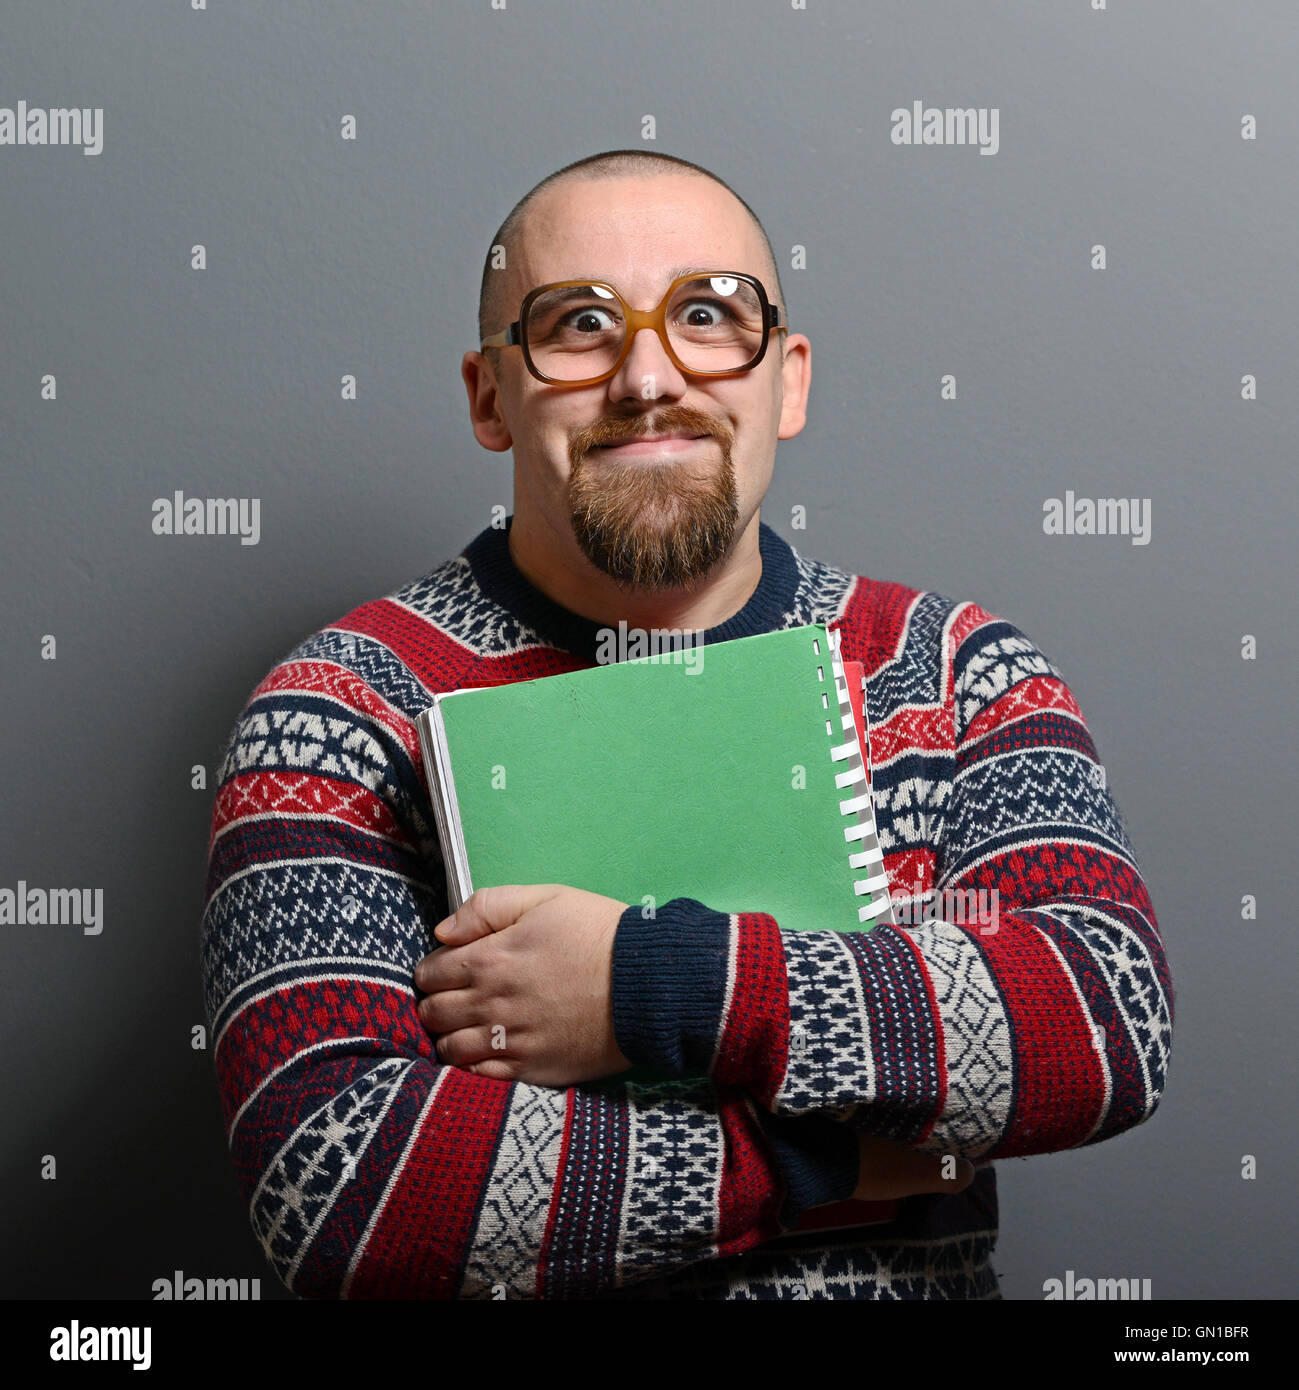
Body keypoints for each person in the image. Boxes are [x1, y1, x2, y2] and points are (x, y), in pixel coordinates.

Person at [200, 148, 1173, 1300]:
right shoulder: (343, 708)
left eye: (708, 314)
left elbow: (1104, 1018)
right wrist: (823, 1163)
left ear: (788, 382)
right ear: (489, 395)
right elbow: (345, 1189)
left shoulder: (958, 670)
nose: (649, 377)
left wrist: (648, 983)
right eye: (579, 325)